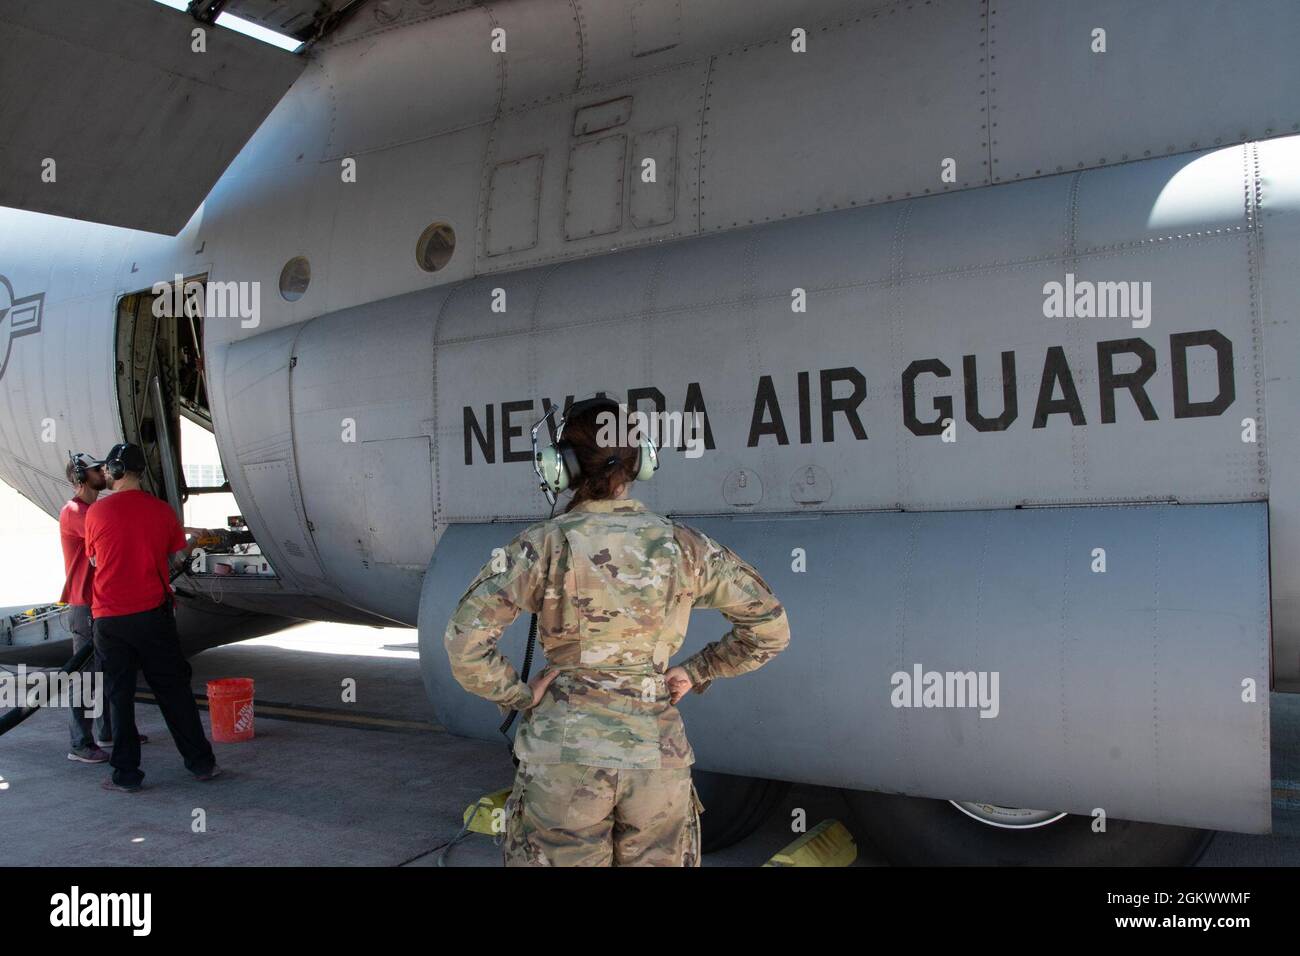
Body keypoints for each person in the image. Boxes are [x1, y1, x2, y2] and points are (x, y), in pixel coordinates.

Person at [443, 397, 790, 866]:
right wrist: (696, 670)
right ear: (642, 460)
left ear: (562, 467)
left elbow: (466, 640)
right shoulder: (685, 546)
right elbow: (769, 626)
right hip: (656, 764)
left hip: (564, 763)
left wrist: (518, 695)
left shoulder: (540, 546)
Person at [85, 442, 220, 793]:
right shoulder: (162, 512)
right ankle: (201, 764)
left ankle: (126, 775)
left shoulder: (96, 513)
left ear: (113, 472)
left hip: (111, 619)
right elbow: (174, 556)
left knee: (120, 697)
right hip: (153, 616)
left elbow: (95, 560)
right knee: (174, 692)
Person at [60, 452, 111, 764]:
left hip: (101, 601)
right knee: (85, 676)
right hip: (85, 603)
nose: (103, 472)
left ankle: (108, 731)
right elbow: (105, 536)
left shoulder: (93, 509)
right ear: (82, 477)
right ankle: (80, 743)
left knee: (107, 669)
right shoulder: (75, 512)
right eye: (96, 470)